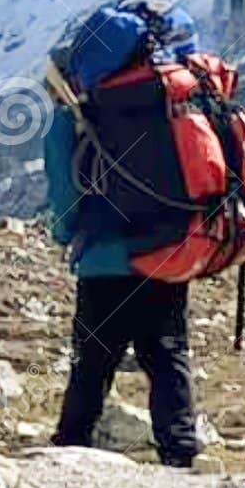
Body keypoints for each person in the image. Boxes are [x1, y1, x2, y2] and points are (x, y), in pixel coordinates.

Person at [43, 102, 199, 467]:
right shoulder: (170, 100)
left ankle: (70, 451)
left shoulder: (72, 113)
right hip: (166, 253)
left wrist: (65, 234)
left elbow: (63, 186)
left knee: (92, 362)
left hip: (105, 260)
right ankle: (181, 454)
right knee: (166, 355)